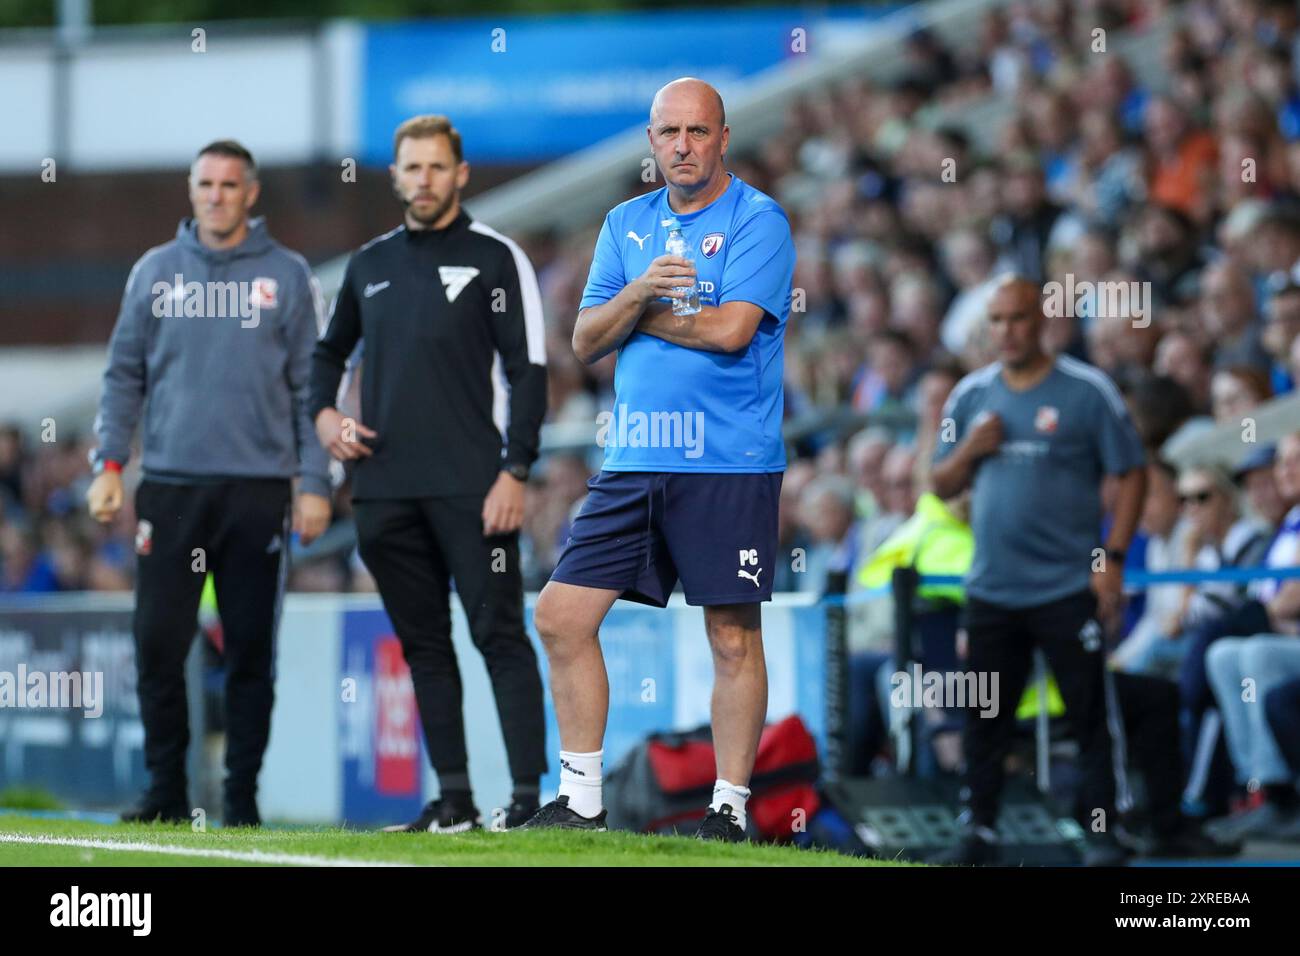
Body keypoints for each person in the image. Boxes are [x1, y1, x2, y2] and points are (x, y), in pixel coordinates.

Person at [519, 77, 796, 840]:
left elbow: (732, 331)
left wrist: (635, 314)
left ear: (723, 137)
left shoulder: (758, 220)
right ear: (651, 141)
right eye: (669, 132)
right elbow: (581, 340)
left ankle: (729, 809)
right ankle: (580, 800)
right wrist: (646, 294)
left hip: (729, 462)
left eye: (698, 132)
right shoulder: (624, 223)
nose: (682, 145)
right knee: (560, 615)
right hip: (635, 458)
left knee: (732, 634)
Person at [308, 115, 549, 833]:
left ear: (460, 173)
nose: (423, 180)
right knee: (422, 646)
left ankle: (531, 802)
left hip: (478, 491)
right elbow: (326, 357)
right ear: (395, 176)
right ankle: (454, 801)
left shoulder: (496, 258)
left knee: (499, 636)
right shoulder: (368, 264)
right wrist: (325, 420)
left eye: (437, 167)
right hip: (382, 491)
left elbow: (528, 371)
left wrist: (517, 471)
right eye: (411, 168)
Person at [87, 140, 332, 826]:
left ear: (251, 193)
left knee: (252, 648)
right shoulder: (154, 273)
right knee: (157, 643)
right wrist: (109, 464)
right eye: (206, 183)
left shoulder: (286, 276)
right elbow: (122, 375)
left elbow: (312, 389)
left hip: (257, 494)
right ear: (191, 191)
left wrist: (314, 481)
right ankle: (166, 789)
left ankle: (241, 799)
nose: (217, 194)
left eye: (230, 184)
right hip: (168, 488)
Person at [929, 275, 1148, 866]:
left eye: (1017, 319)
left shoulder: (1086, 390)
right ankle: (981, 830)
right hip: (993, 588)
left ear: (1042, 321)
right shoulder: (970, 396)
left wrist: (1113, 558)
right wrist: (972, 449)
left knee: (1088, 714)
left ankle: (1104, 829)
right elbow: (940, 481)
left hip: (1067, 586)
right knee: (984, 716)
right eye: (995, 321)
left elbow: (1131, 472)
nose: (1006, 332)